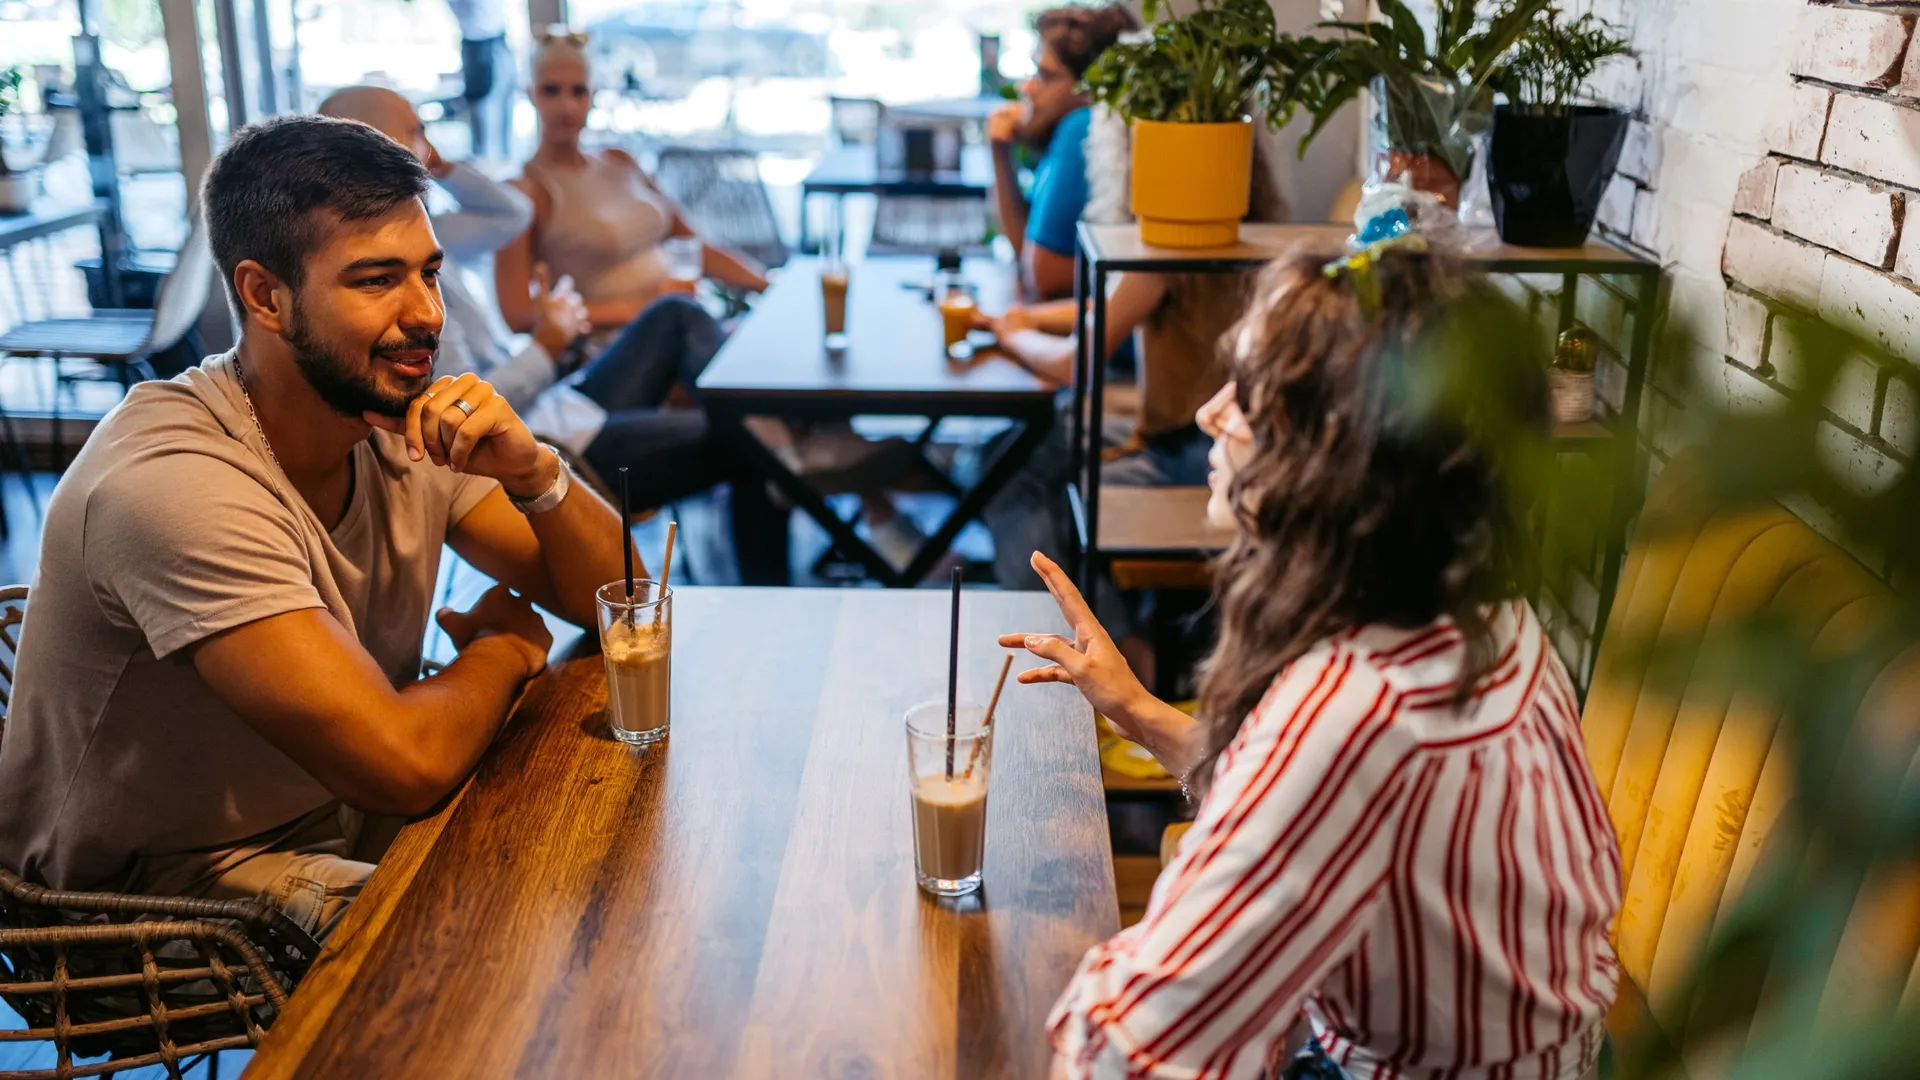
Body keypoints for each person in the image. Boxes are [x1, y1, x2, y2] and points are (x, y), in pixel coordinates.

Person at [0, 116, 633, 941]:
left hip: (334, 813)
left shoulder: (388, 415)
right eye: (376, 281)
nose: (426, 315)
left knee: (598, 863)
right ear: (266, 295)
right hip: (159, 894)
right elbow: (403, 767)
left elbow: (624, 604)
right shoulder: (172, 482)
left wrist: (536, 473)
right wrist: (504, 650)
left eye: (430, 274)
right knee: (509, 945)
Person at [1008, 248, 1623, 1079]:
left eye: (1251, 395)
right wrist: (1141, 711)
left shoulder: (1355, 708)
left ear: (1343, 451)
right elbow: (1343, 817)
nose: (1208, 415)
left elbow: (1122, 1053)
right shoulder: (1480, 610)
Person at [318, 86, 788, 584]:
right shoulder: (379, 279)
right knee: (746, 441)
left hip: (555, 397)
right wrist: (549, 343)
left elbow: (507, 213)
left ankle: (774, 430)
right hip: (544, 434)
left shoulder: (426, 231)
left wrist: (435, 163)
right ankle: (782, 455)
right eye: (417, 131)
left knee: (676, 313)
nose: (429, 143)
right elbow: (462, 411)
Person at [495, 27, 768, 344]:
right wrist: (644, 306)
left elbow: (694, 247)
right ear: (531, 93)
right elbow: (519, 315)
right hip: (615, 348)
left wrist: (769, 284)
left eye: (578, 91)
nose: (567, 105)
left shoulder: (620, 160)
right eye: (551, 90)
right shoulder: (524, 191)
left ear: (594, 96)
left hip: (684, 321)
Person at [986, 4, 1137, 302]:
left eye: (1046, 76)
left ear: (1088, 90)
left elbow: (1041, 276)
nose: (1028, 87)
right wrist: (1000, 152)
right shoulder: (1067, 130)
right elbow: (1025, 248)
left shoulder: (1081, 127)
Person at [449, 0, 516, 160]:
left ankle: (504, 158)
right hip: (477, 41)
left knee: (507, 97)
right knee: (480, 104)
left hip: (499, 37)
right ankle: (482, 159)